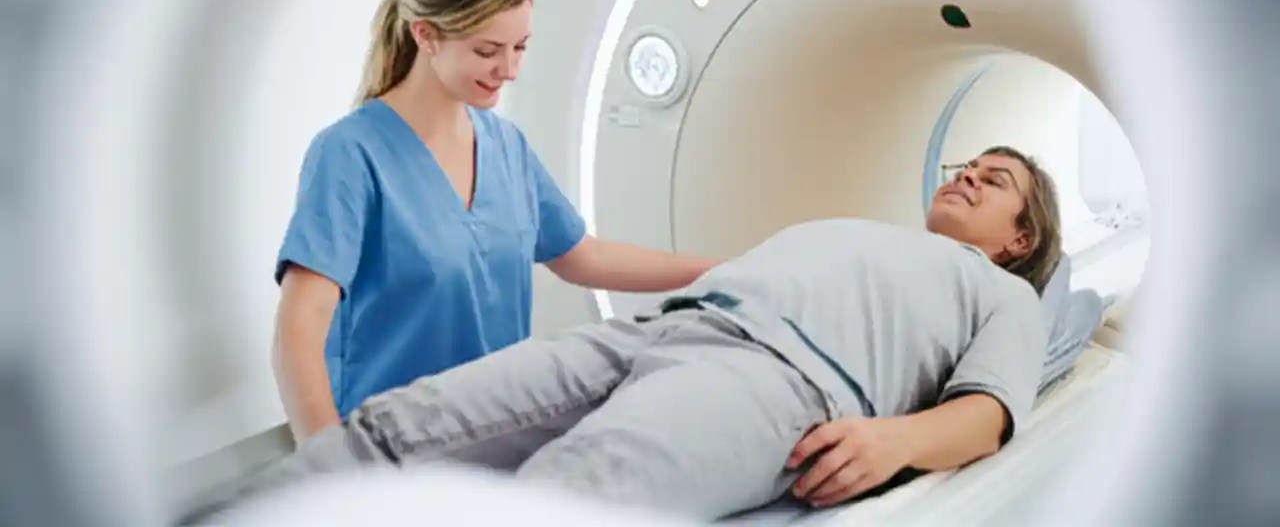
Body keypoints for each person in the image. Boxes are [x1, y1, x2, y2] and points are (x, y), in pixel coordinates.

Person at [239, 146, 1061, 521]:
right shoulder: (871, 231)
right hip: (655, 333)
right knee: (399, 427)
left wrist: (894, 443)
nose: (966, 178)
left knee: (568, 493)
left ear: (1018, 240)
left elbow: (987, 414)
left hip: (774, 383)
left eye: (992, 183)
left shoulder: (998, 293)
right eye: (964, 166)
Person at [272, 0, 719, 446]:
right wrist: (331, 469)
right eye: (487, 50)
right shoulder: (351, 154)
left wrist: (711, 272)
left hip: (501, 435)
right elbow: (299, 327)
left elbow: (583, 257)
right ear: (425, 35)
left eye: (520, 48)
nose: (508, 70)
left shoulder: (506, 147)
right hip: (391, 451)